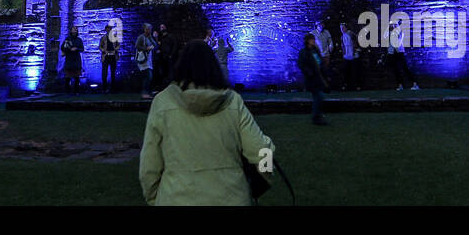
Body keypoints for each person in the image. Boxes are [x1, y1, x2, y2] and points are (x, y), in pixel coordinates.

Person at [139, 40, 275, 205]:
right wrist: (264, 179)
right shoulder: (233, 102)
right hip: (231, 198)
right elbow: (262, 150)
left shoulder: (162, 103)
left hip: (176, 198)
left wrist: (155, 198)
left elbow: (149, 166)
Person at [297, 33, 328, 125]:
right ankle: (316, 117)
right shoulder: (304, 52)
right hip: (312, 78)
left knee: (318, 96)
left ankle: (317, 115)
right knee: (318, 96)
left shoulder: (315, 50)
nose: (313, 41)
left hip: (318, 77)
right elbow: (301, 64)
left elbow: (319, 61)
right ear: (307, 41)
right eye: (312, 39)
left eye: (314, 39)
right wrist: (309, 72)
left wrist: (322, 65)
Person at [386, 18, 420, 91]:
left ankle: (415, 84)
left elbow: (397, 43)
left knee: (405, 69)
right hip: (392, 54)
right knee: (396, 70)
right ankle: (400, 85)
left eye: (394, 25)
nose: (393, 26)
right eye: (391, 25)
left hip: (399, 53)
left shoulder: (400, 32)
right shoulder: (389, 33)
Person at [60, 26, 84, 94]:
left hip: (76, 60)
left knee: (77, 77)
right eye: (73, 30)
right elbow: (62, 48)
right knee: (68, 77)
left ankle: (76, 92)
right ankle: (67, 92)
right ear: (71, 31)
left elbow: (82, 49)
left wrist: (76, 49)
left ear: (77, 31)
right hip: (69, 59)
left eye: (75, 30)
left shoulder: (79, 40)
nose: (74, 31)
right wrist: (69, 49)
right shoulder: (67, 39)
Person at [339, 22, 362, 91]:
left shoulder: (351, 34)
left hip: (353, 55)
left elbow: (357, 41)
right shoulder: (342, 36)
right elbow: (343, 45)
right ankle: (346, 85)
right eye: (341, 28)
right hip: (346, 56)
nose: (342, 29)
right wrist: (344, 53)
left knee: (355, 71)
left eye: (343, 28)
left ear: (346, 28)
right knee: (346, 71)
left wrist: (357, 50)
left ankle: (357, 85)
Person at [135, 24, 156, 98]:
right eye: (147, 29)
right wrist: (145, 48)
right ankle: (144, 92)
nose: (149, 30)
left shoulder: (149, 37)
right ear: (144, 29)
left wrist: (153, 38)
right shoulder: (141, 37)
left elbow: (155, 45)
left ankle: (148, 92)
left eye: (150, 29)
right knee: (147, 76)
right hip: (143, 59)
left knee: (149, 76)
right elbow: (137, 46)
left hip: (148, 59)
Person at [98, 23, 120, 93]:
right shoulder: (103, 38)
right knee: (104, 73)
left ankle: (113, 88)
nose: (109, 30)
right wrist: (104, 50)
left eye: (110, 29)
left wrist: (115, 50)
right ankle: (104, 88)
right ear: (106, 30)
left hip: (113, 56)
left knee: (113, 73)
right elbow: (100, 46)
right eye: (108, 29)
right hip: (106, 56)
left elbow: (118, 45)